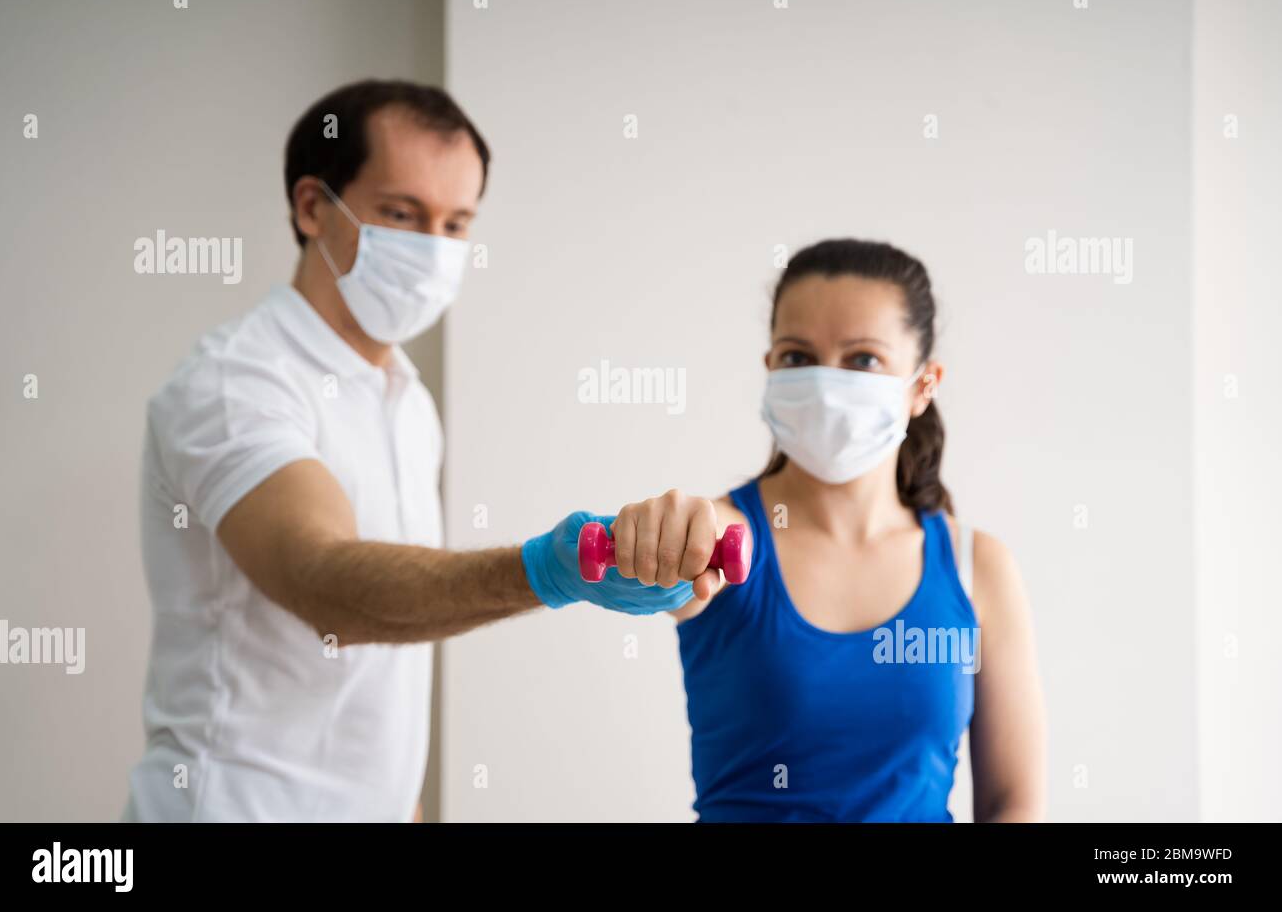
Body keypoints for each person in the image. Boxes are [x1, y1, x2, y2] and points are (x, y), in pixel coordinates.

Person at [123, 80, 691, 822]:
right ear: (312, 207)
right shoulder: (236, 383)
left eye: (456, 223)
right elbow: (326, 585)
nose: (432, 248)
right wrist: (545, 570)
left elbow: (377, 672)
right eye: (401, 214)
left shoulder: (407, 399)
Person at [606, 239, 1048, 821]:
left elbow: (1012, 803)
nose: (823, 385)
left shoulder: (976, 567)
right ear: (769, 369)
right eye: (798, 357)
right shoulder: (721, 541)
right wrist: (641, 538)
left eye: (863, 359)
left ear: (924, 385)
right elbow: (654, 556)